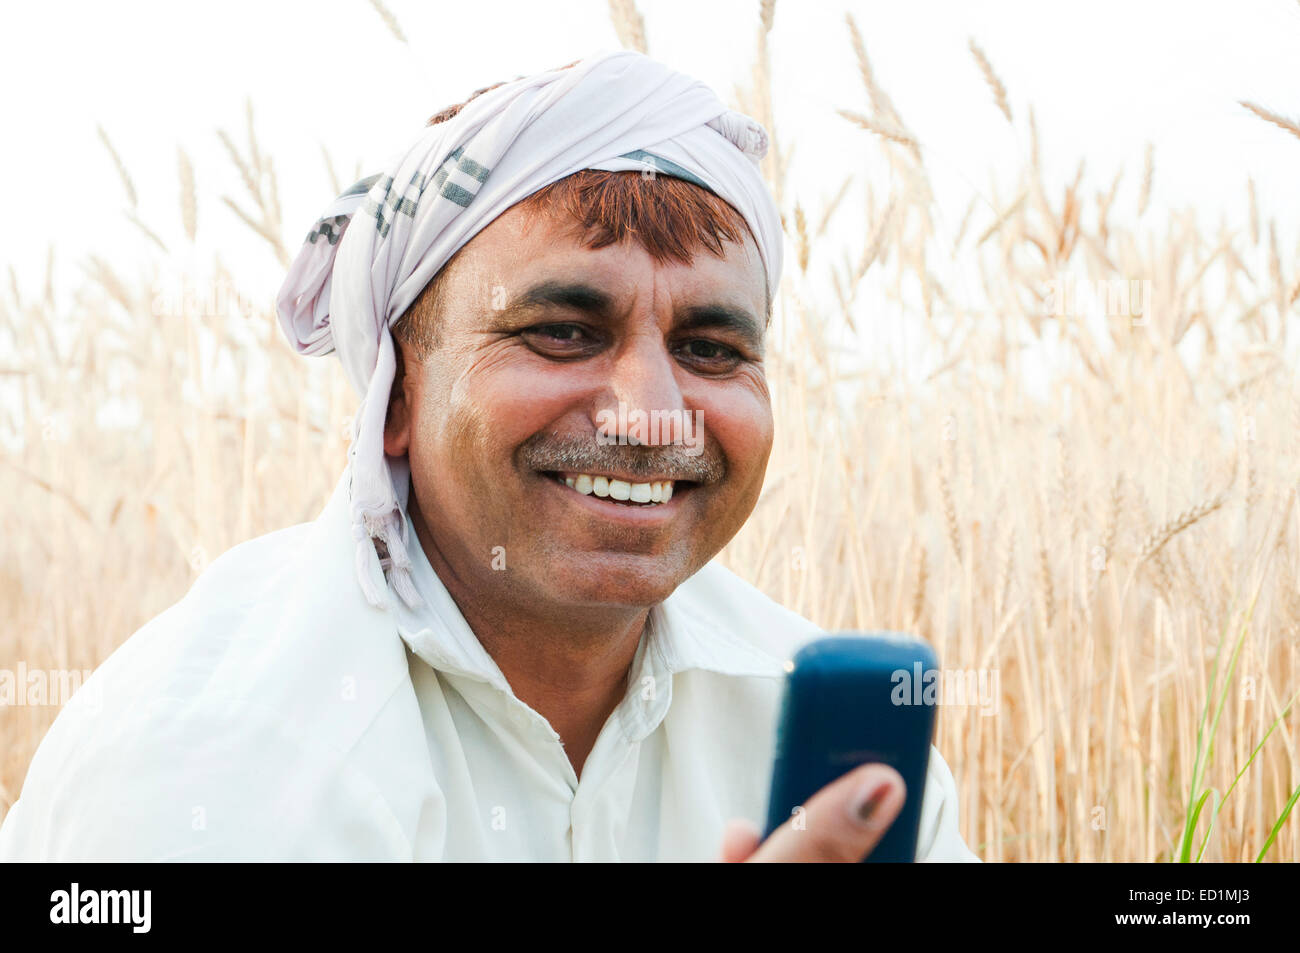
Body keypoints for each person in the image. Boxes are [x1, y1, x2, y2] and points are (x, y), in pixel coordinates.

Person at [0, 49, 978, 862]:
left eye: (711, 348)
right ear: (395, 397)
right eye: (560, 330)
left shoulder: (817, 738)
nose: (650, 416)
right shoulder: (214, 764)